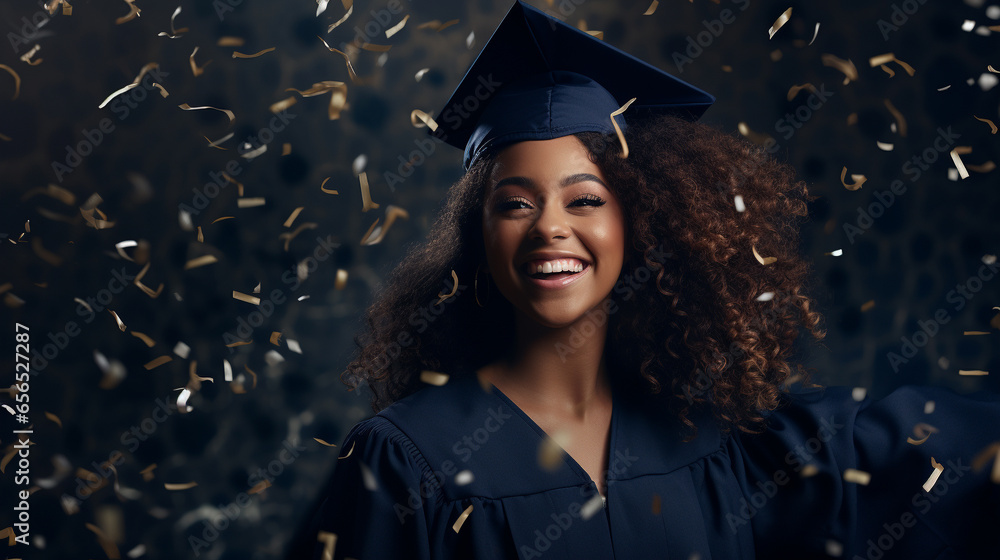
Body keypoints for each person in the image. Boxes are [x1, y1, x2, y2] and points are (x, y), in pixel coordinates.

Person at [305, 2, 1000, 558]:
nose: (550, 226)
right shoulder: (405, 460)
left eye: (585, 200)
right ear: (475, 237)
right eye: (515, 203)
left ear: (638, 223)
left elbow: (913, 459)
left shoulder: (719, 438)